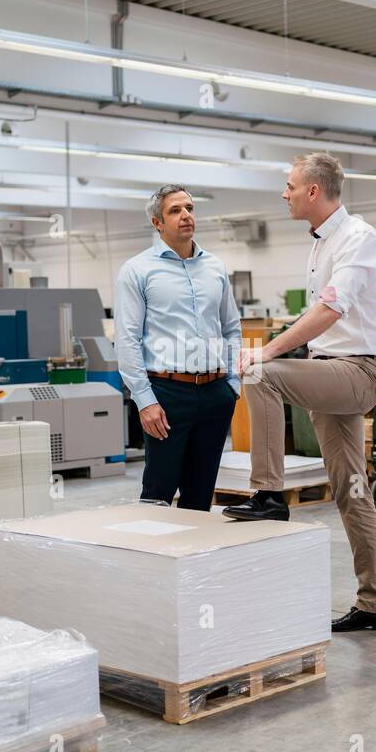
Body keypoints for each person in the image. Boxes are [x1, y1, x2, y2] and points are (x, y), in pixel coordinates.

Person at [226, 153, 376, 633]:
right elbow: (319, 319)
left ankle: (268, 493)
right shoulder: (320, 245)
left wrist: (270, 350)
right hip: (329, 372)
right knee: (352, 490)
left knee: (262, 374)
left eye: (290, 186)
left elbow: (331, 311)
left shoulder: (359, 238)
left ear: (314, 191)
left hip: (359, 372)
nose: (285, 194)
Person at [113, 184, 242, 511]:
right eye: (175, 210)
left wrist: (234, 385)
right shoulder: (137, 270)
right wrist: (144, 400)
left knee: (200, 495)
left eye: (189, 208)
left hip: (215, 393)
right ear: (158, 222)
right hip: (167, 394)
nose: (186, 215)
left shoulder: (215, 267)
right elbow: (127, 339)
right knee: (158, 492)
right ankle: (150, 560)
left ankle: (192, 560)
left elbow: (231, 327)